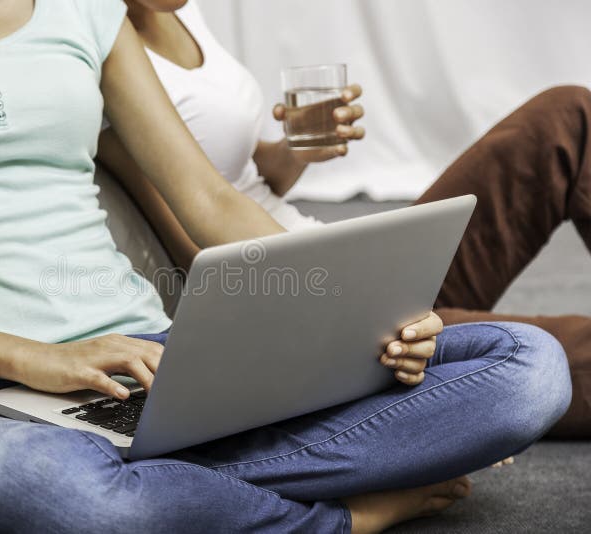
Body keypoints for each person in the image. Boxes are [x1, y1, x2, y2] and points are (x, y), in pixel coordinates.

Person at [0, 1, 571, 532]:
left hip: (163, 369)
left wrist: (361, 314)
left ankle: (188, 496)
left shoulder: (84, 12)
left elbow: (206, 197)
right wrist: (45, 359)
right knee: (56, 498)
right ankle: (349, 516)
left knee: (528, 369)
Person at [100, 0, 591, 439]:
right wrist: (355, 306)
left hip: (344, 261)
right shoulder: (102, 42)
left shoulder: (182, 10)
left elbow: (246, 177)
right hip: (317, 308)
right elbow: (200, 245)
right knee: (557, 355)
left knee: (569, 115)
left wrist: (294, 151)